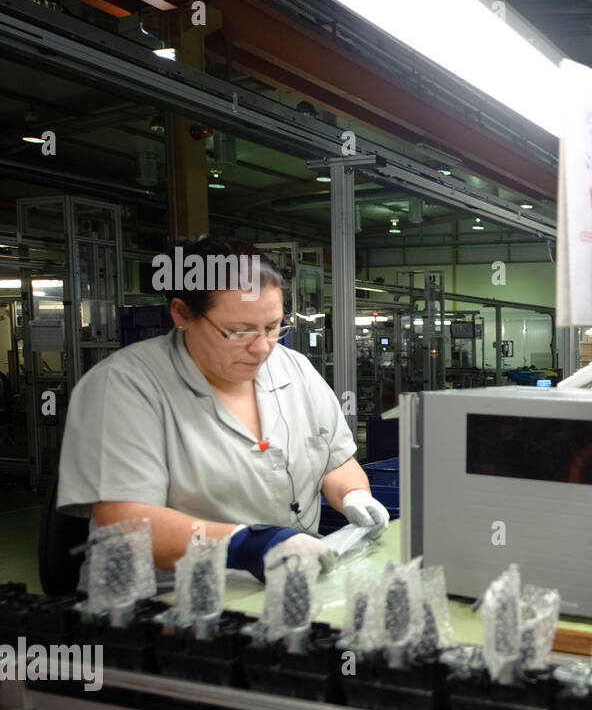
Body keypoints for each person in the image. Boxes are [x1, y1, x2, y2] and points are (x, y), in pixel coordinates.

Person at [58, 238, 390, 581]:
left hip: (289, 581)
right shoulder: (124, 386)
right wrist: (247, 545)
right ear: (182, 314)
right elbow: (125, 522)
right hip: (171, 600)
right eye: (238, 331)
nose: (262, 348)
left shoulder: (295, 369)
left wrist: (354, 494)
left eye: (274, 327)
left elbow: (336, 461)